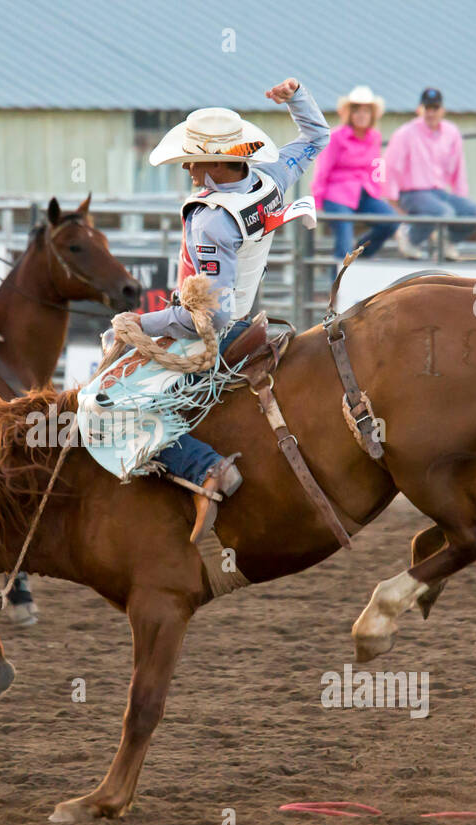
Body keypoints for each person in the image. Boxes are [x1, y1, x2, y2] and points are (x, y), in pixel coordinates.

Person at [131, 76, 329, 542]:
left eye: (192, 159)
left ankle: (205, 468)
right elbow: (317, 137)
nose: (186, 168)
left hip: (211, 335)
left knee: (117, 407)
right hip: (244, 313)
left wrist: (139, 323)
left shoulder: (212, 222)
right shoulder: (272, 178)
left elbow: (210, 317)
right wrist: (297, 98)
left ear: (213, 162)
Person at [384, 87, 476, 260]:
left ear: (442, 110)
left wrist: (460, 196)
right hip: (411, 193)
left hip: (439, 193)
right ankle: (410, 237)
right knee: (444, 213)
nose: (430, 113)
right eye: (427, 108)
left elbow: (458, 167)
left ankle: (447, 242)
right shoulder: (405, 133)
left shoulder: (452, 133)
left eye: (434, 108)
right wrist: (392, 199)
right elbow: (390, 166)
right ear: (420, 109)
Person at [309, 85, 397, 270]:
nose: (361, 115)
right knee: (344, 239)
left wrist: (378, 192)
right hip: (337, 195)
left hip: (364, 193)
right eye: (357, 111)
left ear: (372, 114)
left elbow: (376, 166)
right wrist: (317, 202)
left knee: (390, 221)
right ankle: (339, 289)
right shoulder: (336, 137)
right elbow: (322, 169)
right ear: (350, 114)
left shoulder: (374, 137)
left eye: (366, 111)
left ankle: (360, 256)